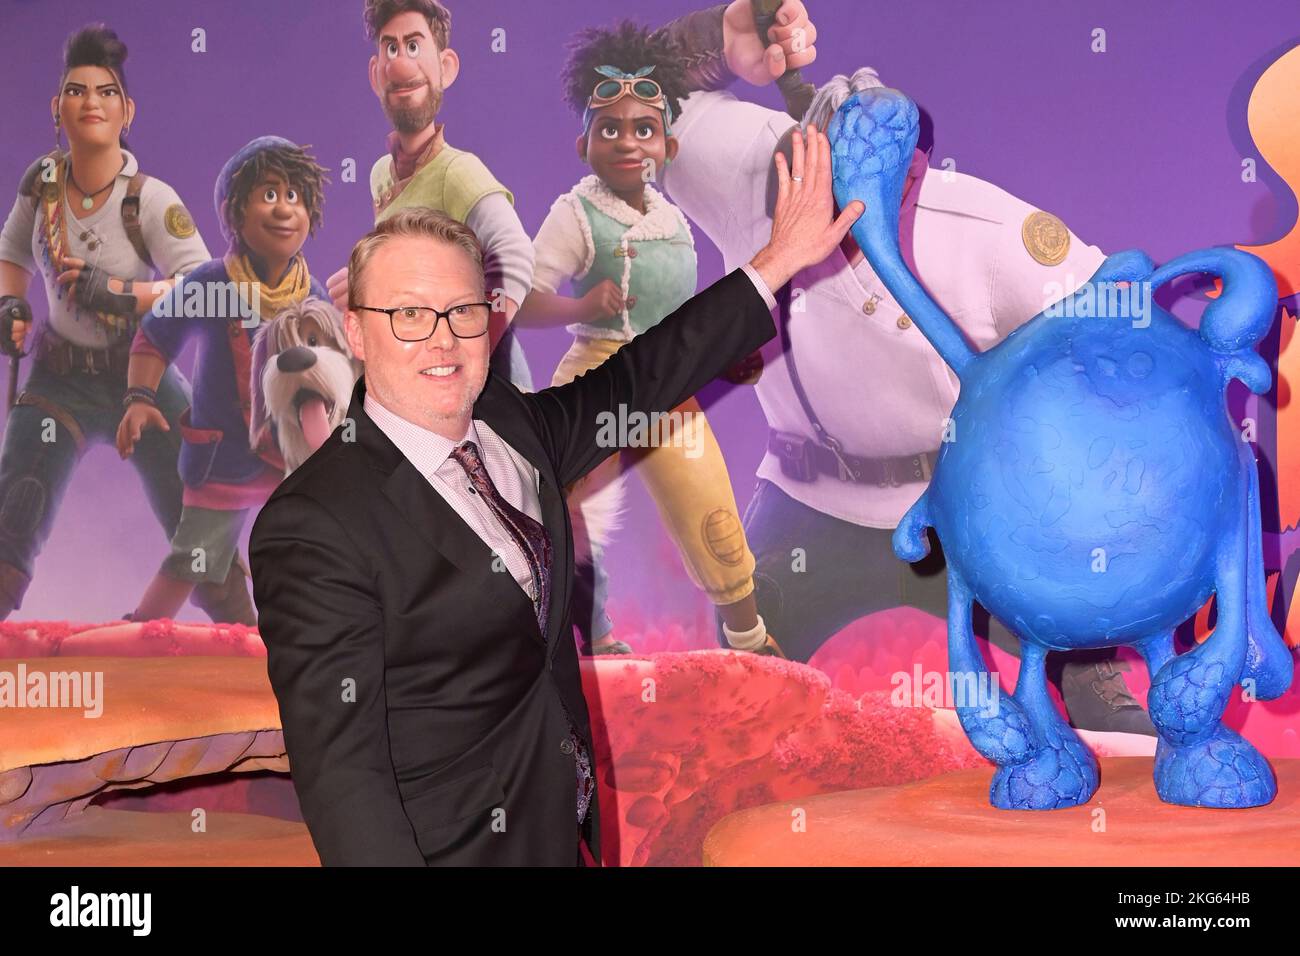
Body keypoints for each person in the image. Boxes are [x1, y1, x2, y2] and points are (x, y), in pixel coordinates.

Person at [248, 122, 862, 865]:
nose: (442, 339)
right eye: (408, 315)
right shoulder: (313, 522)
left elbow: (638, 379)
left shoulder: (511, 423)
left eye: (463, 311)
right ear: (355, 329)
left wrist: (774, 265)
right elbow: (344, 777)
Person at [654, 0, 1155, 734]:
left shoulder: (986, 228)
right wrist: (724, 39)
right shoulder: (751, 173)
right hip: (807, 505)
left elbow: (1120, 336)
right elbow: (627, 82)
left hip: (964, 506)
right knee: (723, 716)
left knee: (1100, 705)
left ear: (919, 168)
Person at [516, 21, 778, 657]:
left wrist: (725, 358)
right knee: (561, 503)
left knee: (710, 509)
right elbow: (520, 300)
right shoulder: (575, 213)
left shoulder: (674, 221)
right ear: (584, 143)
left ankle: (750, 638)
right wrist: (582, 303)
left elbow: (684, 316)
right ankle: (588, 635)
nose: (628, 143)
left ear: (668, 143)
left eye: (644, 129)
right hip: (597, 372)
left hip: (667, 380)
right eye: (610, 129)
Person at [0, 24, 250, 624]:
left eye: (106, 91)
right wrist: (13, 307)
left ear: (127, 110)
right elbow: (12, 256)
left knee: (202, 538)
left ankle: (261, 674)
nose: (91, 102)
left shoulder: (152, 200)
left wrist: (116, 292)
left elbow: (210, 292)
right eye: (77, 90)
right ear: (57, 106)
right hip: (58, 381)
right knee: (12, 525)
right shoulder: (42, 185)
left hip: (142, 381)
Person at [116, 137, 330, 625]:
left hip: (293, 460)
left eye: (295, 196)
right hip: (222, 459)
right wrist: (140, 398)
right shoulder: (212, 283)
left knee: (313, 550)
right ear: (235, 210)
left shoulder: (312, 296)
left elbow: (331, 377)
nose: (284, 209)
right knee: (194, 555)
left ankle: (302, 644)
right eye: (270, 194)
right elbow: (155, 336)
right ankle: (141, 634)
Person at [325, 0, 534, 391]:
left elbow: (515, 255)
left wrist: (472, 345)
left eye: (414, 45)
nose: (402, 63)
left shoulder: (458, 171)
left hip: (487, 387)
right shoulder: (380, 176)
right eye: (391, 48)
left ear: (446, 66)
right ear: (376, 74)